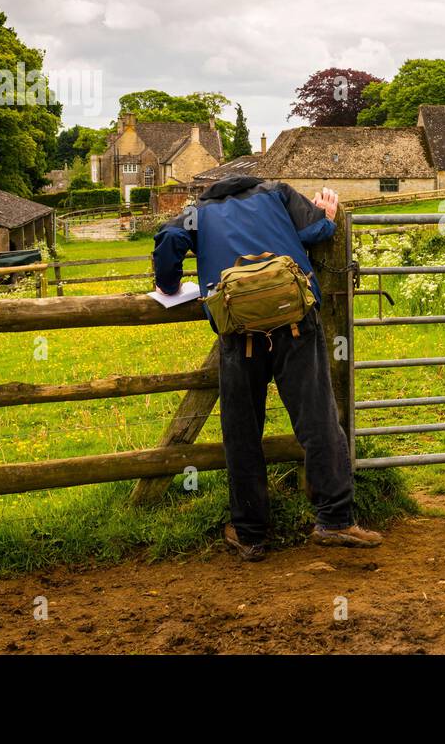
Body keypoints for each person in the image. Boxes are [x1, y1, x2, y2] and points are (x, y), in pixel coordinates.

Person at [152, 175, 382, 560]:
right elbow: (317, 230)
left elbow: (170, 240)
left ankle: (250, 533)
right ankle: (335, 520)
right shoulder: (276, 193)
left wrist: (170, 284)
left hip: (240, 332)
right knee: (318, 420)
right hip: (294, 321)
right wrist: (327, 216)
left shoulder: (198, 213)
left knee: (242, 431)